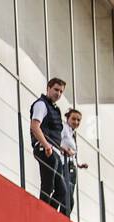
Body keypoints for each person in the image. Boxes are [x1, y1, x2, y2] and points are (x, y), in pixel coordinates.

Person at [30, 78, 67, 212]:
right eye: (56, 89)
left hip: (53, 151)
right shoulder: (41, 104)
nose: (58, 93)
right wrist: (46, 145)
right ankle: (42, 214)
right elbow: (35, 126)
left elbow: (51, 132)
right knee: (48, 186)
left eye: (61, 91)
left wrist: (60, 147)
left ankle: (48, 214)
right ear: (48, 88)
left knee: (62, 191)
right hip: (44, 148)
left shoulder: (54, 108)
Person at [60, 107, 87, 218]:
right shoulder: (64, 129)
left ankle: (63, 217)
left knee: (69, 196)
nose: (76, 122)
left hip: (72, 167)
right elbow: (57, 140)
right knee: (68, 197)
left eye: (78, 120)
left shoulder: (72, 134)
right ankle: (62, 218)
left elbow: (74, 152)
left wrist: (79, 164)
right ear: (67, 118)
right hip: (64, 164)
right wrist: (64, 150)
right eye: (73, 119)